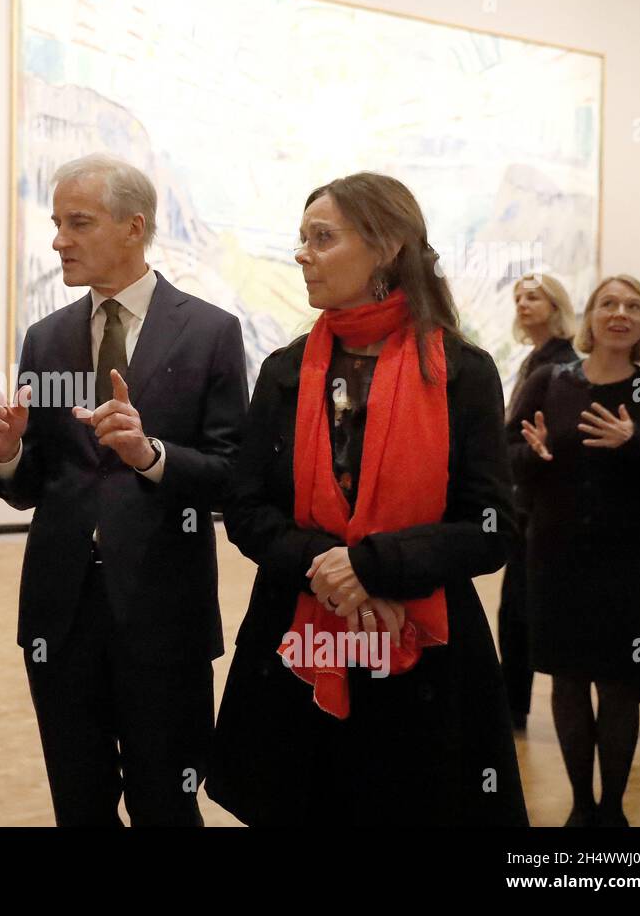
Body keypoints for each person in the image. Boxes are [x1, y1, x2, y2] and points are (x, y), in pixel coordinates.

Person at [207, 172, 528, 826]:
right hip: (300, 645)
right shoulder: (286, 370)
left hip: (427, 662)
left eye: (321, 238)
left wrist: (373, 566)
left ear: (385, 246)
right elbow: (244, 508)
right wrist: (330, 564)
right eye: (302, 239)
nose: (302, 254)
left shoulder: (462, 372)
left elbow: (492, 527)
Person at [0, 153, 248, 826]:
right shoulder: (47, 337)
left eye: (78, 222)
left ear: (134, 227)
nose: (59, 239)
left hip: (165, 614)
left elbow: (231, 472)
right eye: (56, 223)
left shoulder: (210, 331)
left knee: (166, 803)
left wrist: (151, 455)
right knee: (81, 803)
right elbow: (33, 482)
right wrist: (8, 453)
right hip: (60, 618)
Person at [510, 274, 640, 825]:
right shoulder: (549, 382)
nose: (620, 313)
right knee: (567, 681)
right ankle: (581, 807)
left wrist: (634, 445)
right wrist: (531, 456)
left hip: (630, 565)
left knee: (619, 681)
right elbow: (507, 454)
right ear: (589, 317)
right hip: (556, 556)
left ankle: (611, 810)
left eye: (634, 305)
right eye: (608, 303)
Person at [499, 273, 579, 731]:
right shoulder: (537, 360)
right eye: (518, 298)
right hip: (528, 504)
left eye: (534, 297)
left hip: (541, 509)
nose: (523, 304)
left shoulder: (561, 365)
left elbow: (544, 442)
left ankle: (513, 709)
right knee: (525, 609)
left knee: (525, 611)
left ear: (556, 305)